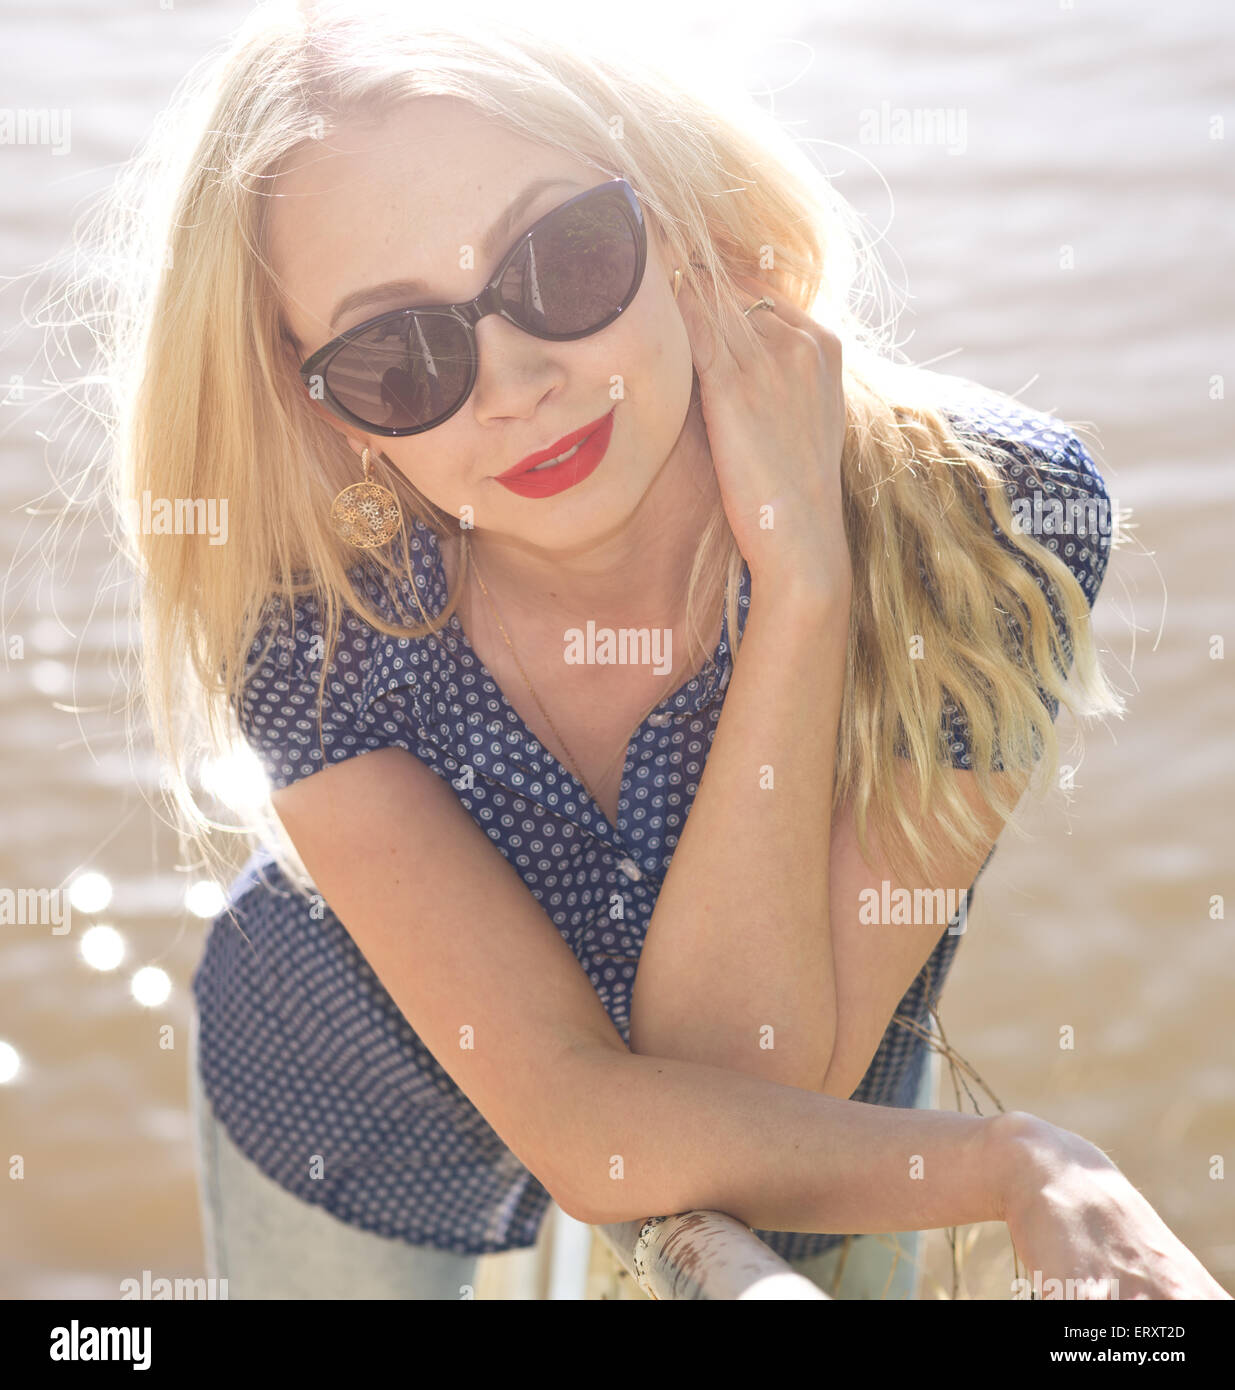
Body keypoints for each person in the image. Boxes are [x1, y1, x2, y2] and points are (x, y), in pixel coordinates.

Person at [87, 1, 1226, 1298]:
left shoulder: (987, 512)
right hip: (350, 1093)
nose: (515, 380)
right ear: (335, 412)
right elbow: (589, 1128)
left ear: (680, 217)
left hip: (819, 1104)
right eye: (399, 355)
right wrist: (1024, 1164)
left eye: (561, 258)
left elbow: (745, 1080)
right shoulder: (315, 608)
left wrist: (805, 582)